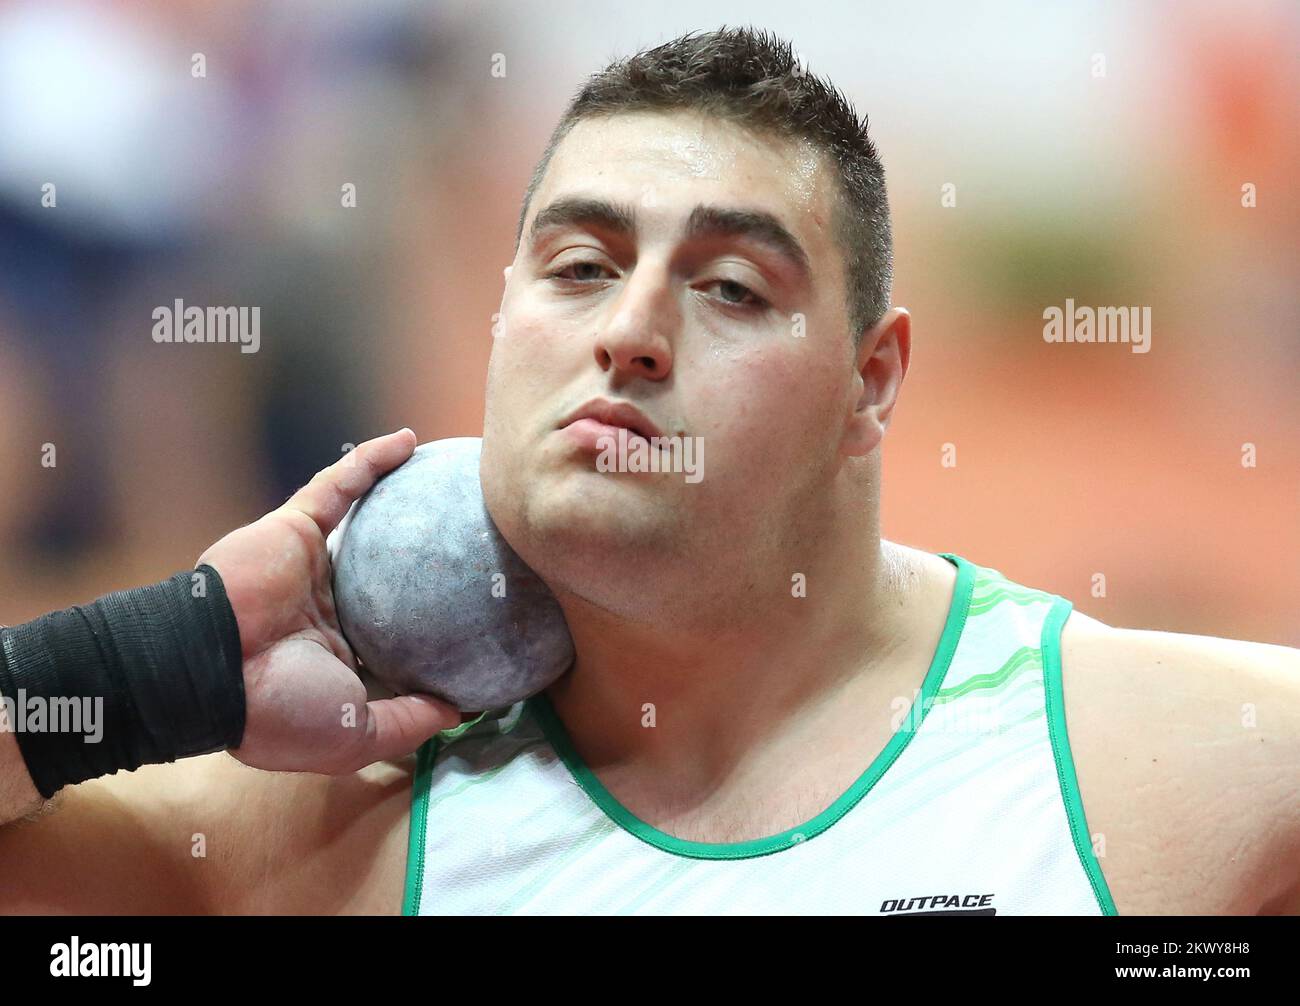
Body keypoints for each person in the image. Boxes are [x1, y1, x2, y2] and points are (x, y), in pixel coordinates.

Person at [2, 27, 1297, 916]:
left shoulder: (1153, 773)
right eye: (578, 267)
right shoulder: (330, 838)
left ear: (873, 380)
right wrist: (149, 669)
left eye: (732, 284)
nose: (630, 325)